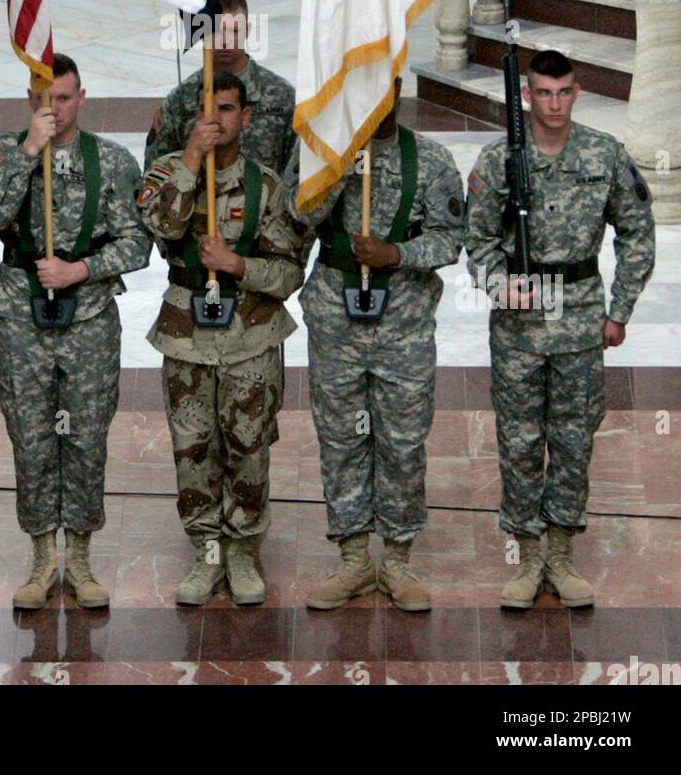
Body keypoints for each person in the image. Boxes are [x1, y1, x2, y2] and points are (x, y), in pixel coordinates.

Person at [466, 49, 656, 609]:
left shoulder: (604, 153)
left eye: (564, 91)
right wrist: (498, 283)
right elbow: (474, 238)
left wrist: (619, 311)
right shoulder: (500, 158)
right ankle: (528, 555)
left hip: (579, 318)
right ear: (526, 95)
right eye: (543, 93)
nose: (554, 103)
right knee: (520, 439)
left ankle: (561, 553)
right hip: (520, 325)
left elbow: (638, 232)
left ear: (577, 92)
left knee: (573, 440)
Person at [0, 54, 150, 610]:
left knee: (87, 436)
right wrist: (28, 151)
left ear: (82, 97)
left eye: (66, 97)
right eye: (46, 98)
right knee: (31, 437)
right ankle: (42, 556)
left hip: (90, 317)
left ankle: (81, 556)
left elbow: (138, 244)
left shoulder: (113, 161)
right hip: (22, 316)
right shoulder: (1, 150)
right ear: (30, 99)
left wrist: (81, 269)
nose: (56, 108)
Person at [285, 78, 465, 612]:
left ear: (397, 90)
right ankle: (354, 558)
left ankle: (399, 559)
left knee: (403, 441)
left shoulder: (429, 160)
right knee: (341, 438)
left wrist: (397, 254)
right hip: (337, 319)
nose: (374, 102)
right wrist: (335, 169)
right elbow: (299, 213)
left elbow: (452, 239)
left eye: (383, 90)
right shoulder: (322, 154)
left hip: (403, 324)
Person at [138, 71, 304, 606]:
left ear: (246, 117)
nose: (217, 120)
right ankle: (207, 550)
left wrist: (238, 265)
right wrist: (189, 159)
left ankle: (243, 549)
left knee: (249, 448)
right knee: (193, 450)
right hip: (187, 336)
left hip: (250, 338)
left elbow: (289, 274)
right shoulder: (167, 171)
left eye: (228, 110)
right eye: (208, 111)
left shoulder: (268, 185)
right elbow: (160, 227)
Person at [144, 0, 295, 177]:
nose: (225, 41)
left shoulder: (281, 97)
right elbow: (155, 173)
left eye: (234, 31)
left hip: (263, 203)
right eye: (216, 31)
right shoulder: (180, 101)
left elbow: (297, 175)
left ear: (247, 30)